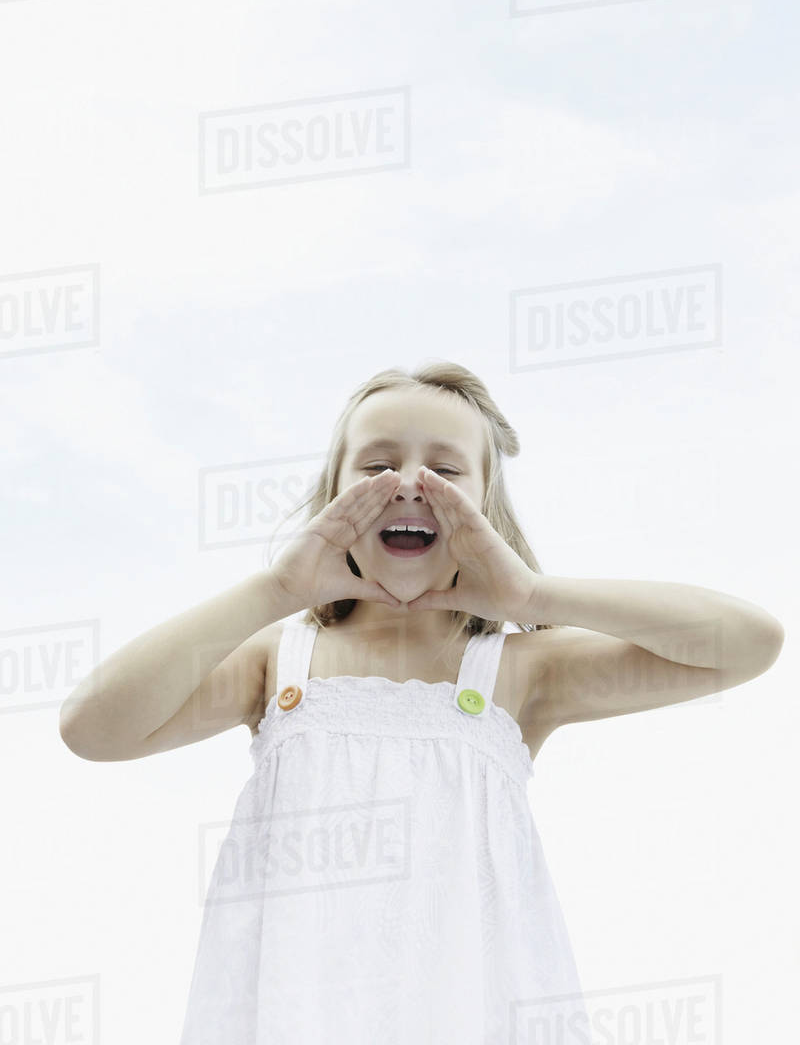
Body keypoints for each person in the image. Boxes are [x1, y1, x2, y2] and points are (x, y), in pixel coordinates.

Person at [59, 361, 785, 1044]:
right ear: (332, 497)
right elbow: (92, 727)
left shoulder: (519, 671)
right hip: (297, 1009)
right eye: (376, 466)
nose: (410, 482)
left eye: (445, 468)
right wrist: (274, 593)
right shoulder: (277, 662)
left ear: (484, 509)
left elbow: (748, 643)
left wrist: (533, 596)